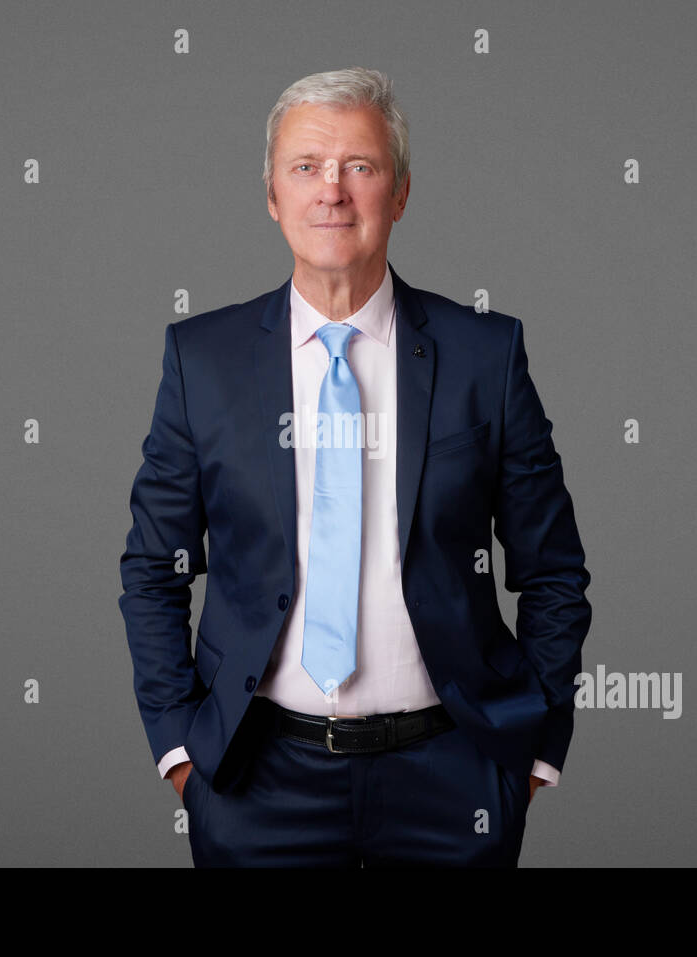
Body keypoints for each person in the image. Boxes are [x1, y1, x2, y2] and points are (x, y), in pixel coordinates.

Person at [119, 66, 592, 866]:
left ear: (399, 192)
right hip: (254, 781)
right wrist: (180, 755)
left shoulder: (485, 355)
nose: (331, 191)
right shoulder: (203, 360)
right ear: (272, 194)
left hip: (453, 777)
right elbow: (152, 569)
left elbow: (552, 569)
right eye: (306, 167)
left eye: (359, 167)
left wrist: (531, 756)